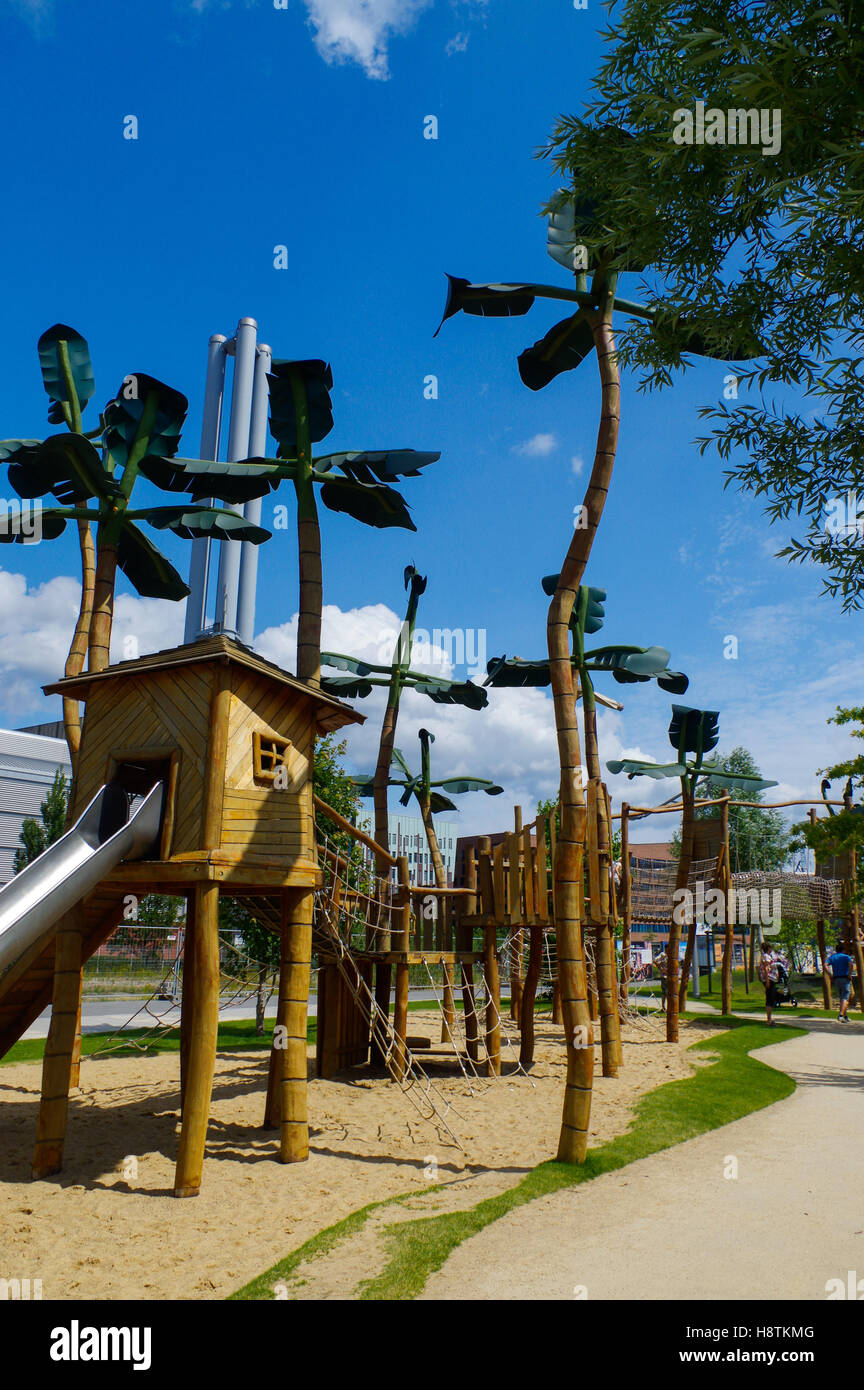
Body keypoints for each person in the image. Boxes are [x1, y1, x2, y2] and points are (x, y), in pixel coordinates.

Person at [757, 942, 789, 1026]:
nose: (771, 950)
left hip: (772, 979)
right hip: (769, 980)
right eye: (770, 948)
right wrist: (767, 980)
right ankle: (769, 1020)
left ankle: (769, 1019)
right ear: (768, 948)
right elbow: (766, 968)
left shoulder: (768, 957)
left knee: (771, 998)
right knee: (770, 998)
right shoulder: (766, 957)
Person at [826, 940, 854, 1022]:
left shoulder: (832, 957)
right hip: (844, 978)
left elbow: (825, 965)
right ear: (843, 950)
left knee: (842, 997)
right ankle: (841, 1015)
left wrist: (830, 974)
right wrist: (850, 974)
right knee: (845, 997)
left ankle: (845, 1016)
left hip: (836, 979)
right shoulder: (846, 957)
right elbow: (851, 965)